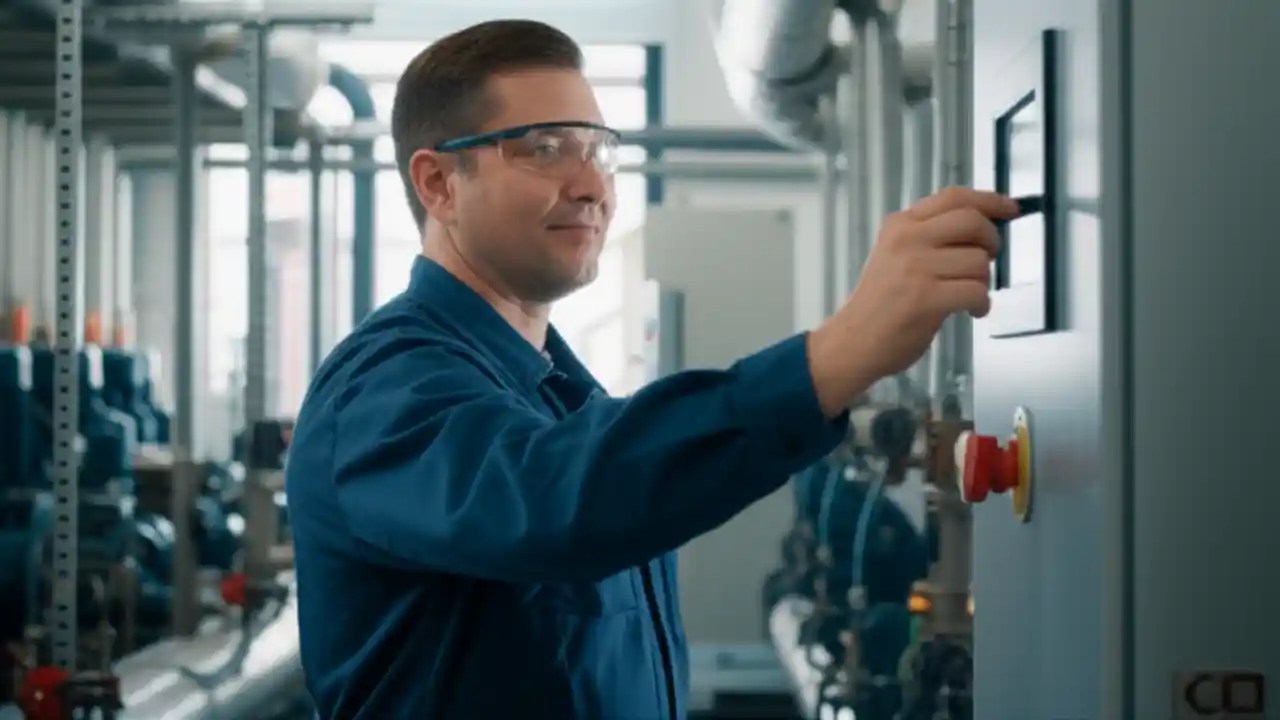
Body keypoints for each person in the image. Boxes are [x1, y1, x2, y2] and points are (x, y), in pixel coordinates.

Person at [284, 18, 1018, 720]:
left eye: (597, 148)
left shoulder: (558, 393)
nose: (590, 184)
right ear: (439, 183)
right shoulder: (381, 389)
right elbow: (554, 501)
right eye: (543, 148)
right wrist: (840, 351)